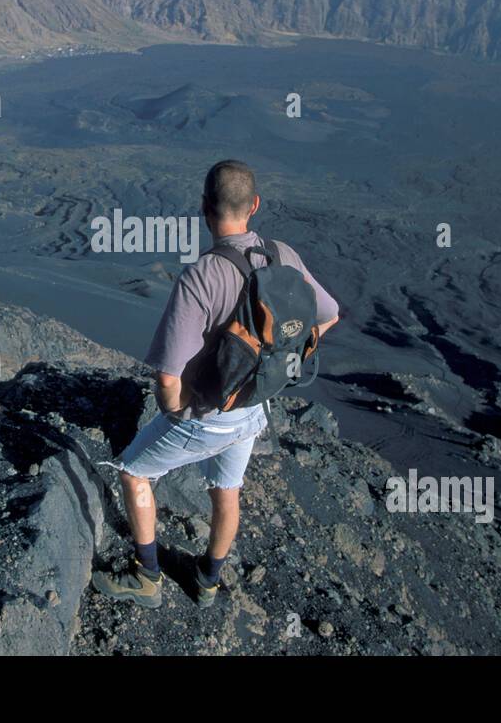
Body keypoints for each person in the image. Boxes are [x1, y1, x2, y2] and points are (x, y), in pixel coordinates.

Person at [93, 160, 339, 608]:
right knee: (227, 491)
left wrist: (175, 413)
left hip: (209, 416)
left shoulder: (202, 276)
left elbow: (168, 377)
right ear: (255, 206)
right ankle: (207, 581)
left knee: (133, 474)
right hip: (256, 409)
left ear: (205, 208)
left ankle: (147, 577)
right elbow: (329, 314)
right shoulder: (283, 255)